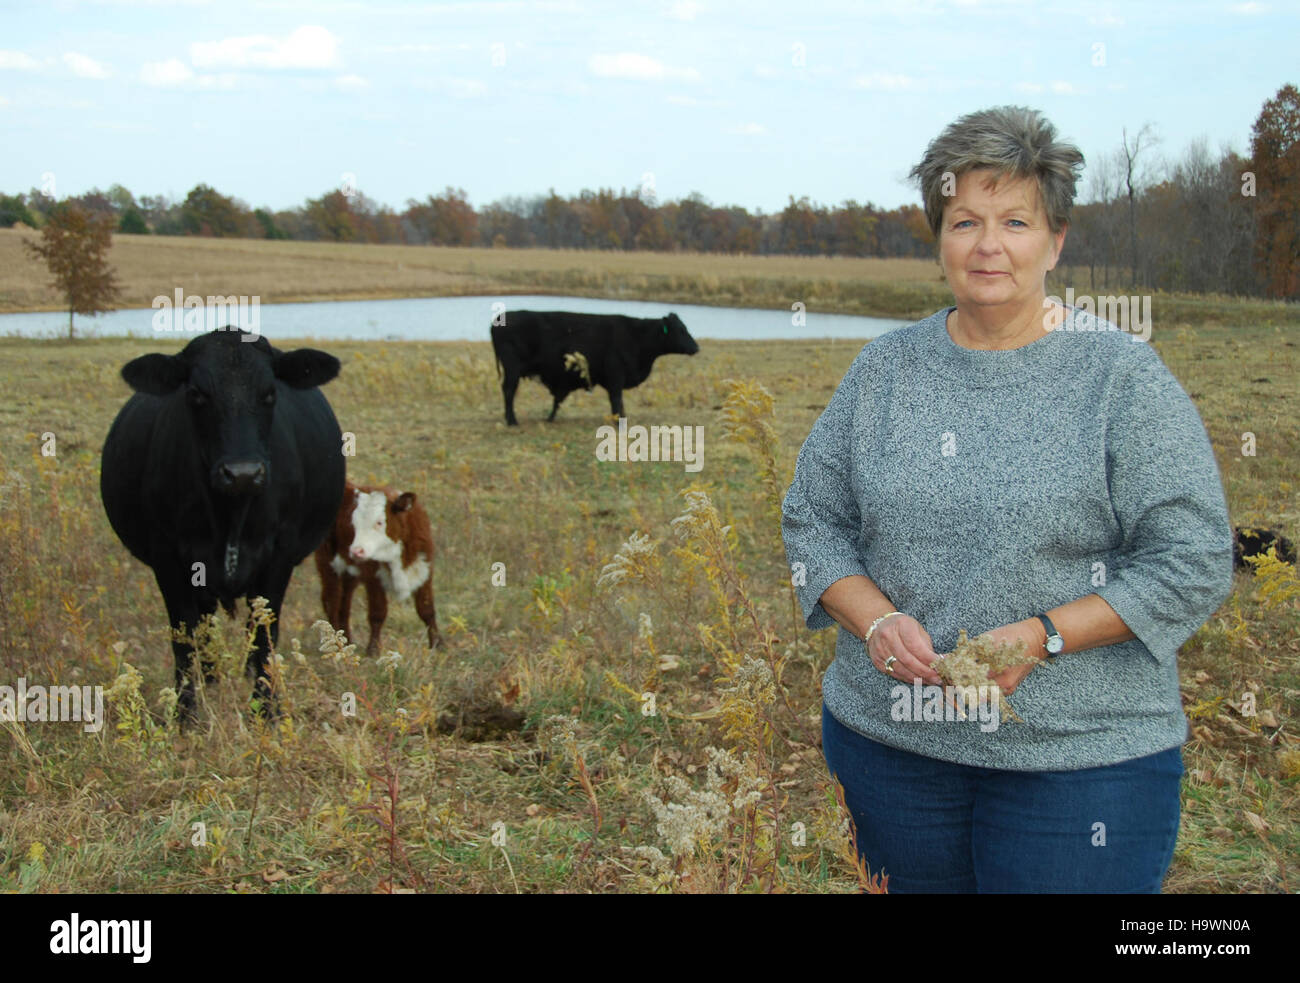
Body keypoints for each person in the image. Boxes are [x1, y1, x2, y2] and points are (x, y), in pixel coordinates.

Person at [781, 105, 1233, 893]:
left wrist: (1043, 635)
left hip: (1081, 764)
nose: (989, 245)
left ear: (1056, 241)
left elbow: (1191, 559)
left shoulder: (1120, 378)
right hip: (893, 751)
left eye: (1016, 221)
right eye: (964, 221)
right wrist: (875, 619)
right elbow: (814, 518)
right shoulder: (885, 371)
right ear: (938, 239)